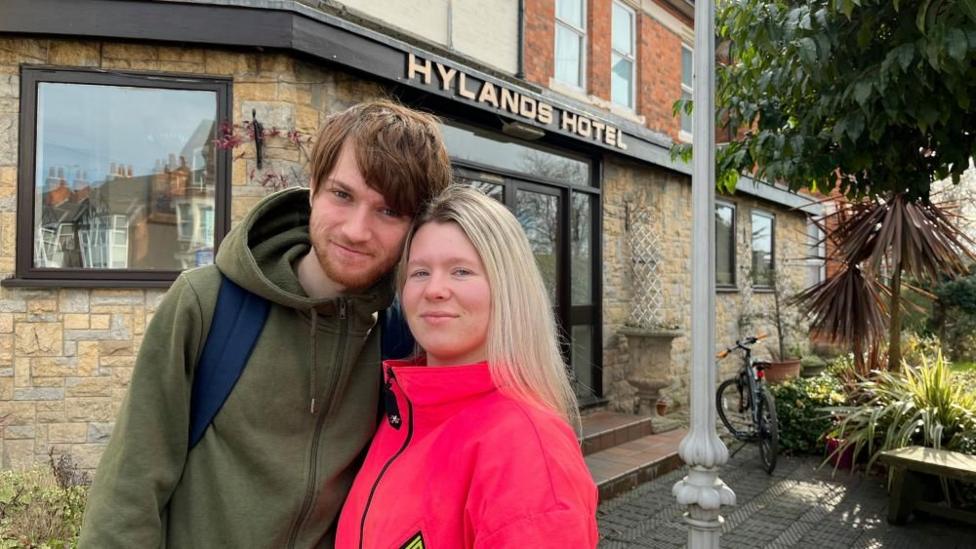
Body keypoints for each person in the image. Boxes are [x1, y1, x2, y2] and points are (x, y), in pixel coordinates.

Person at [79, 100, 453, 548]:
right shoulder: (208, 304)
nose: (357, 229)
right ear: (313, 189)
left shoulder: (402, 339)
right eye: (342, 194)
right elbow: (127, 494)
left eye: (389, 211)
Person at [335, 185, 599, 548]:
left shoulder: (527, 452)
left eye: (461, 271)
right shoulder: (400, 413)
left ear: (507, 289)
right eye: (420, 272)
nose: (435, 290)